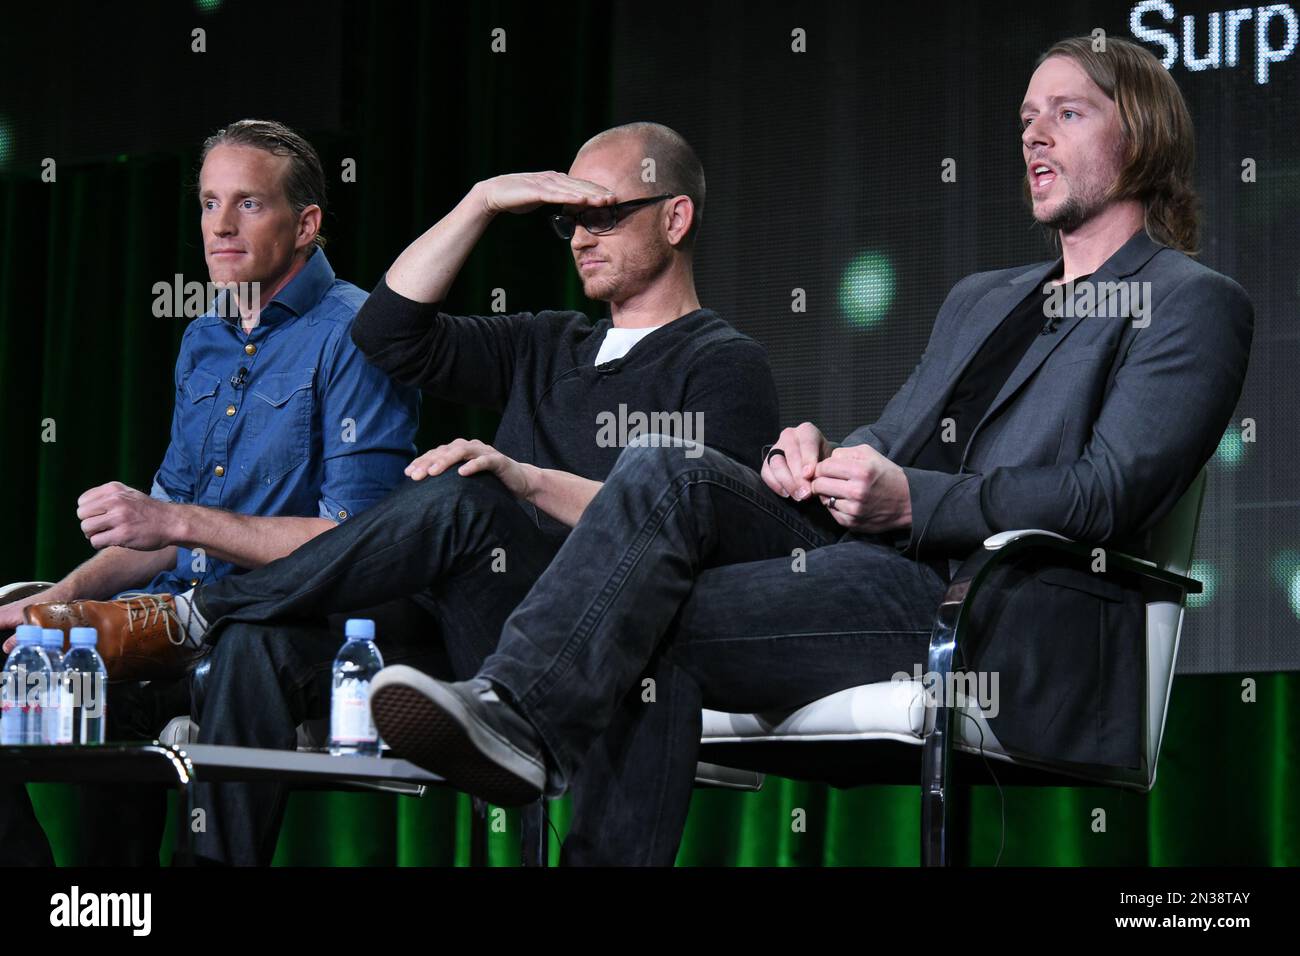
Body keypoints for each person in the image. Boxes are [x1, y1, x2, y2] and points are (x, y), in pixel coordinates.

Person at [366, 36, 1256, 865]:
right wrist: (821, 454)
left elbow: (1106, 497)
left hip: (985, 608)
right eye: (1025, 117)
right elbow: (894, 436)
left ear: (1139, 135)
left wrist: (912, 500)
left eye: (1067, 112)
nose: (1034, 136)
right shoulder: (984, 297)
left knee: (639, 614)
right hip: (863, 563)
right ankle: (515, 713)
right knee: (662, 471)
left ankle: (516, 713)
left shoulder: (1190, 301)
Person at [35, 122, 781, 864]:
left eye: (603, 214)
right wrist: (482, 201)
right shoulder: (549, 343)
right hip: (464, 623)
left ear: (675, 216)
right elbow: (386, 330)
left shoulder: (724, 364)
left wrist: (523, 479)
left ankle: (197, 612)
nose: (581, 237)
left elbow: (685, 516)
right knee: (255, 647)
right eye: (568, 219)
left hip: (583, 635)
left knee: (470, 490)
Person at [0, 120, 421, 865]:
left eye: (249, 205)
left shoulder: (357, 334)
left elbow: (359, 543)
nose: (219, 227)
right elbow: (153, 535)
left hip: (272, 636)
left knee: (222, 658)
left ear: (307, 224)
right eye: (207, 203)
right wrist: (43, 610)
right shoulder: (205, 338)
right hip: (163, 625)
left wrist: (175, 519)